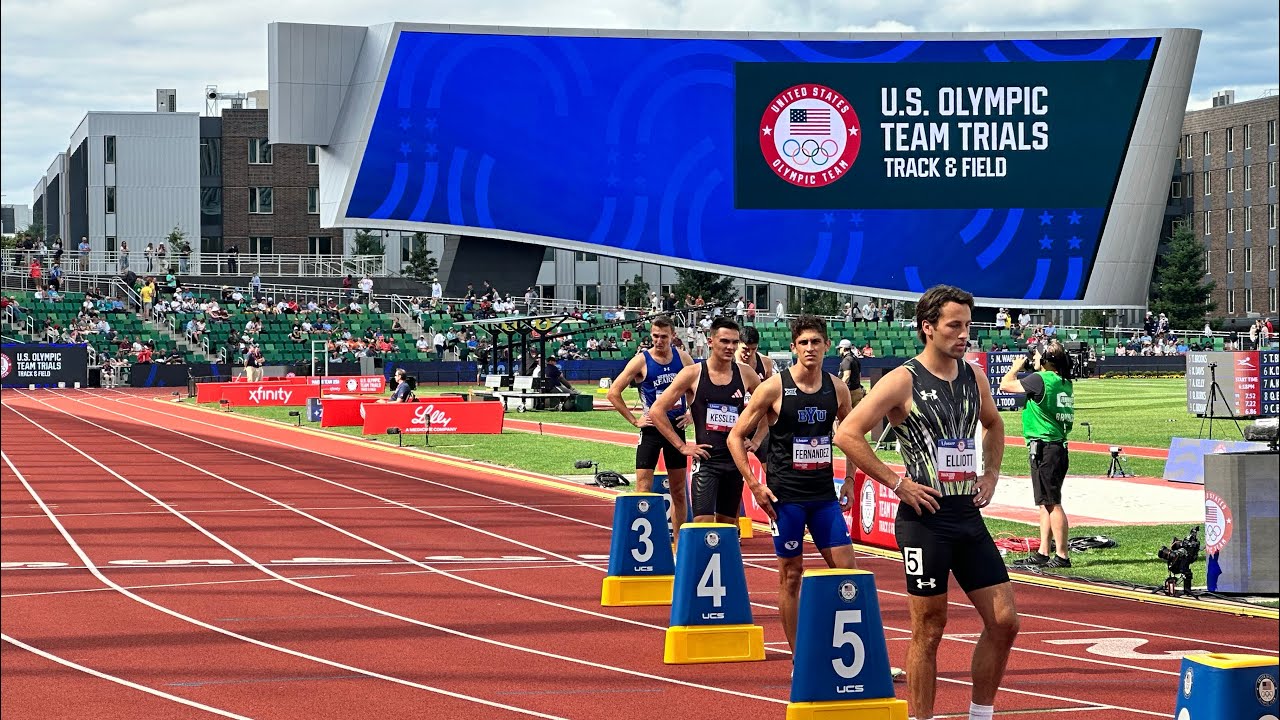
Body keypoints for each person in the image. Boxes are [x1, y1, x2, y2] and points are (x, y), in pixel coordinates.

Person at [834, 284, 1017, 720]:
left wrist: (991, 473)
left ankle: (980, 715)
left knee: (1004, 621)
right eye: (954, 326)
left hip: (966, 514)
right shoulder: (903, 379)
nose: (964, 334)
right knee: (930, 628)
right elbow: (848, 433)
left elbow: (994, 424)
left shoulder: (974, 376)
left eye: (967, 326)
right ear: (928, 327)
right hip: (924, 518)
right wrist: (897, 484)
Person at [727, 315, 858, 660]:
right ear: (793, 347)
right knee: (791, 575)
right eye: (804, 343)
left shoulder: (837, 389)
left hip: (824, 496)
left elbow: (852, 436)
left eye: (816, 342)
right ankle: (800, 658)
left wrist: (850, 479)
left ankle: (846, 652)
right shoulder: (773, 388)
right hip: (785, 499)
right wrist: (754, 484)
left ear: (827, 345)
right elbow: (735, 437)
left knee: (848, 572)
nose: (810, 348)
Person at [649, 317, 763, 524]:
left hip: (735, 461)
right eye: (724, 341)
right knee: (702, 523)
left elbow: (768, 407)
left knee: (728, 526)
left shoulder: (745, 373)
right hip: (706, 462)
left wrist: (757, 440)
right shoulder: (693, 373)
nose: (730, 347)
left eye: (734, 342)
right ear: (711, 341)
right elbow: (657, 410)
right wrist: (681, 447)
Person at [606, 315, 696, 540]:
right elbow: (613, 392)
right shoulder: (641, 361)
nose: (659, 341)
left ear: (673, 336)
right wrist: (634, 420)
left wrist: (691, 413)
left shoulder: (683, 358)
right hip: (651, 430)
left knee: (678, 491)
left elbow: (697, 388)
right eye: (655, 336)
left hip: (675, 428)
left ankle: (679, 543)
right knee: (643, 488)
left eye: (664, 336)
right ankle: (644, 542)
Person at [1000, 339, 1075, 569]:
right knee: (1045, 503)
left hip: (1046, 447)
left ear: (1046, 360)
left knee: (1053, 503)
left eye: (1037, 355)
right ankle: (1043, 551)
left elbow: (1005, 385)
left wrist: (1015, 367)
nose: (1033, 357)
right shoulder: (1063, 381)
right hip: (1056, 447)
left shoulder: (1040, 379)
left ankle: (1061, 555)